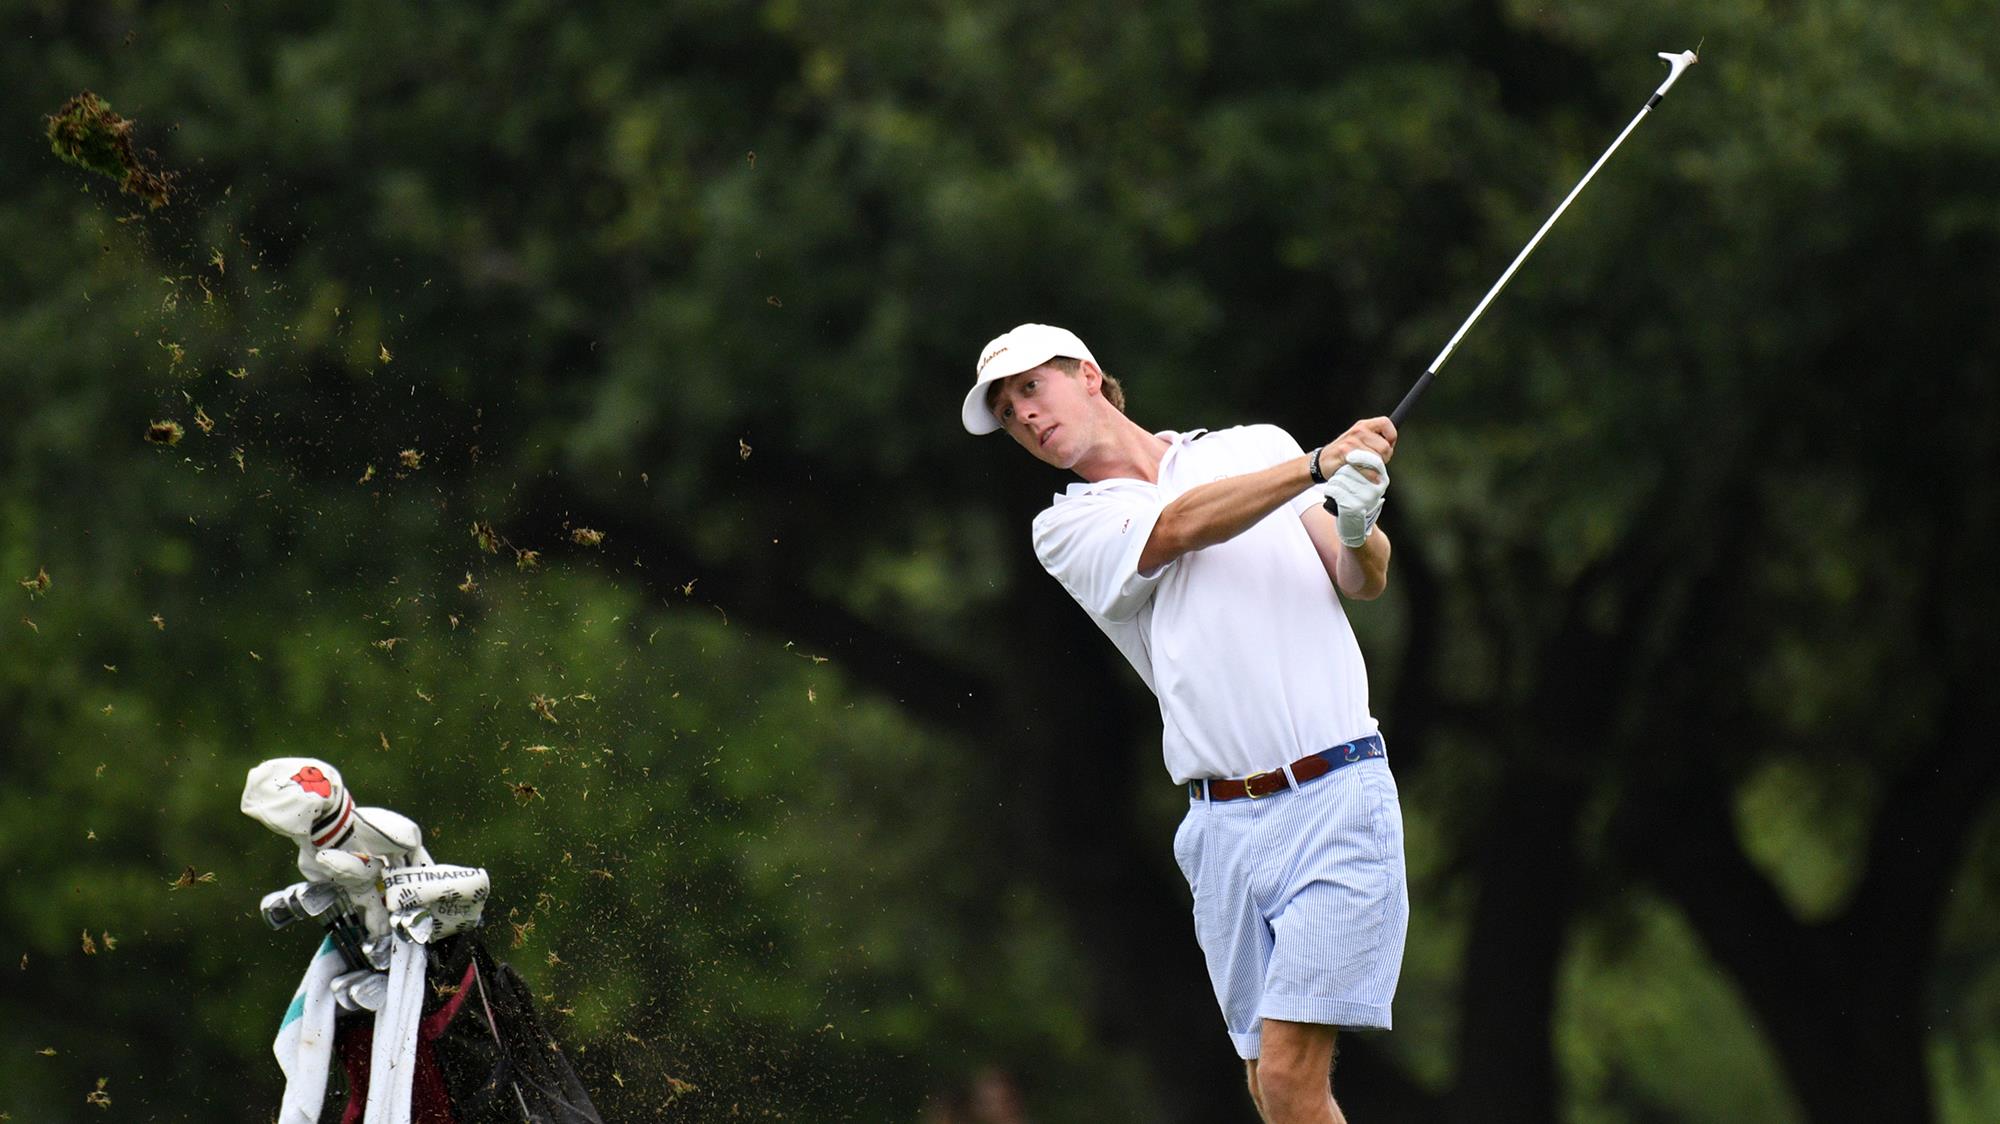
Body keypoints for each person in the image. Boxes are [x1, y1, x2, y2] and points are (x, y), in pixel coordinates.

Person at [961, 324, 1408, 1124]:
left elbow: (1360, 578)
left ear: (1088, 375)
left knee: (1289, 1077)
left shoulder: (1254, 447)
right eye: (1005, 411)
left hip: (1335, 791)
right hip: (1220, 828)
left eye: (1031, 388)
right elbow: (1179, 528)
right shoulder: (1067, 528)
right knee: (1266, 1085)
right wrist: (1315, 466)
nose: (1022, 415)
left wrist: (1355, 525)